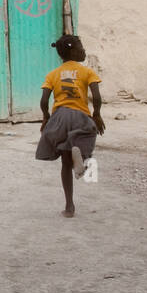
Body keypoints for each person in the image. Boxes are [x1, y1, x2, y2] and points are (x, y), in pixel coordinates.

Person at [35, 34, 105, 218]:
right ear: (73, 51)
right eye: (81, 47)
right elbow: (96, 96)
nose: (84, 50)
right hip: (80, 115)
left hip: (59, 117)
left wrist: (46, 117)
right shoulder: (87, 72)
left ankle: (69, 206)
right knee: (88, 135)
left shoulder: (53, 74)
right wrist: (96, 114)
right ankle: (81, 159)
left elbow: (43, 100)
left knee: (64, 163)